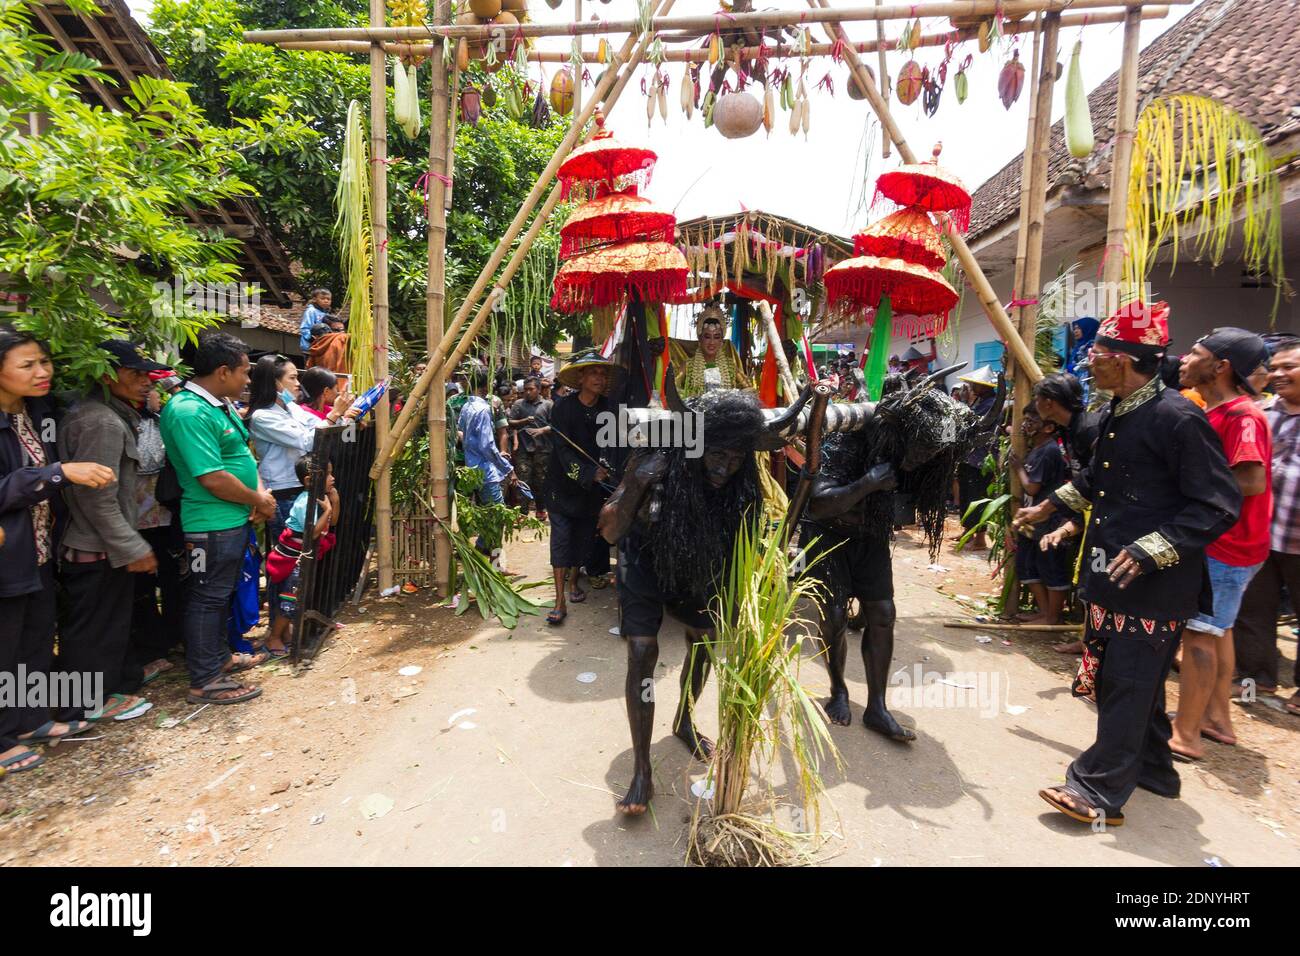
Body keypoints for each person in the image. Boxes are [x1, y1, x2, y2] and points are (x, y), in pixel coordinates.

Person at [1015, 302, 1240, 827]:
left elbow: (1218, 503)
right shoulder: (1119, 410)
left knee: (1127, 682)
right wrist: (1048, 508)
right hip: (1113, 577)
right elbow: (1098, 480)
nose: (1088, 361)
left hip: (1156, 585)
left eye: (1097, 353)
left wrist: (1150, 549)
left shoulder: (1177, 418)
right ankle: (1156, 771)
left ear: (1123, 360)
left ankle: (1097, 790)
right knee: (1132, 681)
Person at [599, 388, 797, 814]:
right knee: (641, 649)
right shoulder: (658, 458)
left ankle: (684, 719)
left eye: (735, 457)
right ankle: (641, 771)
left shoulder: (741, 488)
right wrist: (635, 484)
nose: (725, 467)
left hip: (698, 561)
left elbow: (752, 534)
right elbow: (611, 532)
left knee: (706, 639)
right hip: (644, 558)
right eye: (715, 455)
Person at [806, 368, 1003, 741]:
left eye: (930, 455)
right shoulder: (848, 440)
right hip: (829, 534)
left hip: (871, 536)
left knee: (883, 613)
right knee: (832, 615)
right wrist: (867, 483)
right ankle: (838, 690)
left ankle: (877, 707)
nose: (918, 461)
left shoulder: (926, 459)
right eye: (918, 451)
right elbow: (818, 504)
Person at [0, 327, 112, 772]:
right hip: (9, 553)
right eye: (27, 365)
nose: (42, 372)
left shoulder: (32, 412)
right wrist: (60, 472)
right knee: (5, 647)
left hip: (39, 548)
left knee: (35, 638)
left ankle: (28, 720)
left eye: (43, 362)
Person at [56, 340, 175, 724]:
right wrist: (131, 545)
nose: (146, 382)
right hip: (94, 545)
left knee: (109, 623)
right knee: (93, 628)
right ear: (107, 375)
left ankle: (116, 683)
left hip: (103, 544)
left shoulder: (109, 414)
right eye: (136, 373)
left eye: (147, 374)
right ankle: (89, 701)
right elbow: (96, 498)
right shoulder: (101, 422)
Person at [1168, 328, 1271, 758]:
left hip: (1227, 547)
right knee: (1218, 631)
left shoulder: (1241, 416)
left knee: (1199, 636)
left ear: (1221, 366)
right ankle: (1216, 718)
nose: (1184, 361)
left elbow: (1251, 479)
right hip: (1226, 544)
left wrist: (1191, 488)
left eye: (1195, 353)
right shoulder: (1214, 412)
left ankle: (1186, 735)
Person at [160, 332, 277, 706]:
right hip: (210, 524)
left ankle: (218, 658)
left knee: (219, 595)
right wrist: (257, 497)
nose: (248, 380)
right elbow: (211, 477)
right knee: (206, 598)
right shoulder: (188, 411)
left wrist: (258, 496)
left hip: (233, 518)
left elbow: (241, 454)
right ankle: (205, 679)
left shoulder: (217, 405)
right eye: (244, 372)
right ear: (223, 371)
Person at [1233, 338, 1300, 713]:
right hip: (1261, 536)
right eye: (1274, 368)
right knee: (1253, 612)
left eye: (1288, 366)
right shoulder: (1265, 414)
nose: (1278, 374)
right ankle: (1254, 683)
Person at [248, 355, 355, 551]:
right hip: (283, 489)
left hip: (300, 485)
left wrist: (343, 414)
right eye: (292, 378)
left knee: (307, 549)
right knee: (289, 553)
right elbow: (308, 441)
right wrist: (335, 414)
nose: (298, 384)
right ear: (275, 382)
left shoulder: (291, 408)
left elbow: (320, 426)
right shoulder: (262, 416)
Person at [546, 351, 616, 625]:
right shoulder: (562, 407)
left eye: (603, 373)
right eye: (594, 373)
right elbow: (563, 451)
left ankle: (575, 583)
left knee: (584, 538)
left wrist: (607, 466)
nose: (599, 378)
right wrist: (588, 473)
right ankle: (559, 600)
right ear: (580, 377)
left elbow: (613, 443)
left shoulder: (609, 408)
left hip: (593, 490)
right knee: (561, 539)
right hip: (561, 486)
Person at [129, 383, 182, 684]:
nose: (154, 395)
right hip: (138, 521)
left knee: (173, 581)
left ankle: (171, 638)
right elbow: (148, 459)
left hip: (165, 516)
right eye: (150, 389)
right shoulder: (137, 421)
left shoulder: (160, 420)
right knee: (143, 590)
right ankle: (150, 650)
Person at [263, 455, 338, 658]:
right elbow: (312, 533)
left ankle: (284, 634)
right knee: (289, 598)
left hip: (299, 557)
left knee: (293, 596)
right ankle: (275, 637)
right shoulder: (306, 502)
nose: (332, 478)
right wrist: (328, 510)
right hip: (290, 559)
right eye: (327, 474)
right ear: (308, 481)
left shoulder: (319, 497)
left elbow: (333, 522)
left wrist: (334, 501)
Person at [1008, 406, 1071, 625]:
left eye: (1032, 421)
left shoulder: (1048, 451)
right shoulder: (1038, 448)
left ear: (1049, 427)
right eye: (1025, 420)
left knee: (1050, 567)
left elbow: (1032, 488)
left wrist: (1018, 468)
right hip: (1033, 520)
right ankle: (1045, 613)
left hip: (1047, 519)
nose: (1026, 425)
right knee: (1028, 564)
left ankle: (1052, 617)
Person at [458, 366, 514, 554]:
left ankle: (482, 550)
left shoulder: (467, 406)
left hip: (471, 468)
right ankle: (492, 559)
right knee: (498, 515)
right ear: (486, 386)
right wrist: (505, 466)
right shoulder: (482, 409)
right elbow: (488, 445)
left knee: (485, 514)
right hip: (486, 471)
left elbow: (461, 433)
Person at [955, 364, 999, 550]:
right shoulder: (979, 402)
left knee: (977, 498)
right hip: (969, 457)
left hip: (981, 460)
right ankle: (968, 531)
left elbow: (973, 424)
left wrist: (964, 404)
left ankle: (980, 538)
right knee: (966, 496)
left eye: (976, 385)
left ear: (987, 387)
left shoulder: (992, 404)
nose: (972, 388)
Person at [676, 302, 750, 396]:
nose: (712, 342)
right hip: (695, 410)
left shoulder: (730, 366)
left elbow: (750, 390)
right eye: (707, 337)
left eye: (716, 337)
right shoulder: (688, 366)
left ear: (721, 341)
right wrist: (690, 397)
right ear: (700, 338)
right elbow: (673, 390)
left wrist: (735, 397)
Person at [507, 376, 551, 521]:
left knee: (541, 481)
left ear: (538, 390)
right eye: (525, 389)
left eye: (531, 389)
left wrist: (543, 430)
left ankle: (540, 509)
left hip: (543, 450)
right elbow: (510, 422)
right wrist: (524, 421)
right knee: (523, 481)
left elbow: (556, 425)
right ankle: (522, 512)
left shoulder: (547, 405)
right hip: (524, 451)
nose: (527, 392)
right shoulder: (519, 404)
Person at [298, 289, 332, 354]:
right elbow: (304, 328)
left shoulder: (326, 313)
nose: (326, 301)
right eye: (323, 298)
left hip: (322, 346)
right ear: (314, 299)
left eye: (328, 299)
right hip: (310, 347)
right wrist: (312, 339)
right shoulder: (311, 311)